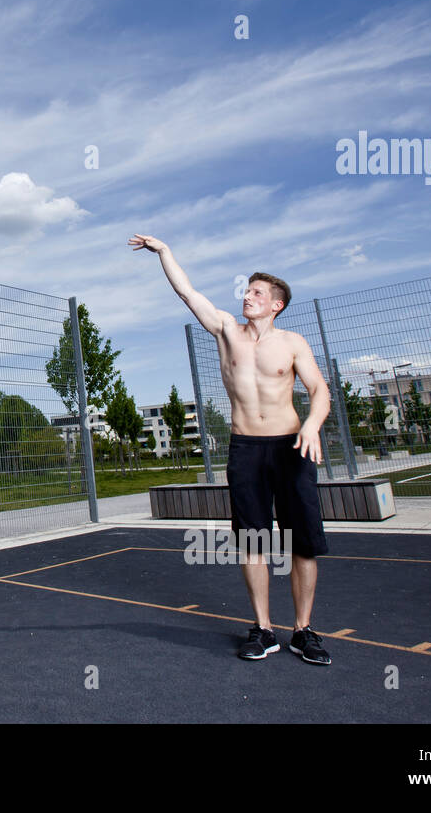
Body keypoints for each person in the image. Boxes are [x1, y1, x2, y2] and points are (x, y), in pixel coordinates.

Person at [129, 233, 333, 665]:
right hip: (246, 450)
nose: (248, 297)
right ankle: (262, 628)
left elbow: (319, 389)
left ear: (276, 304)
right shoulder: (226, 330)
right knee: (254, 542)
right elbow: (187, 291)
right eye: (247, 291)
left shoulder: (293, 343)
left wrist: (313, 424)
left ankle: (303, 630)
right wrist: (165, 252)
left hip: (291, 447)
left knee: (302, 544)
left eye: (257, 292)